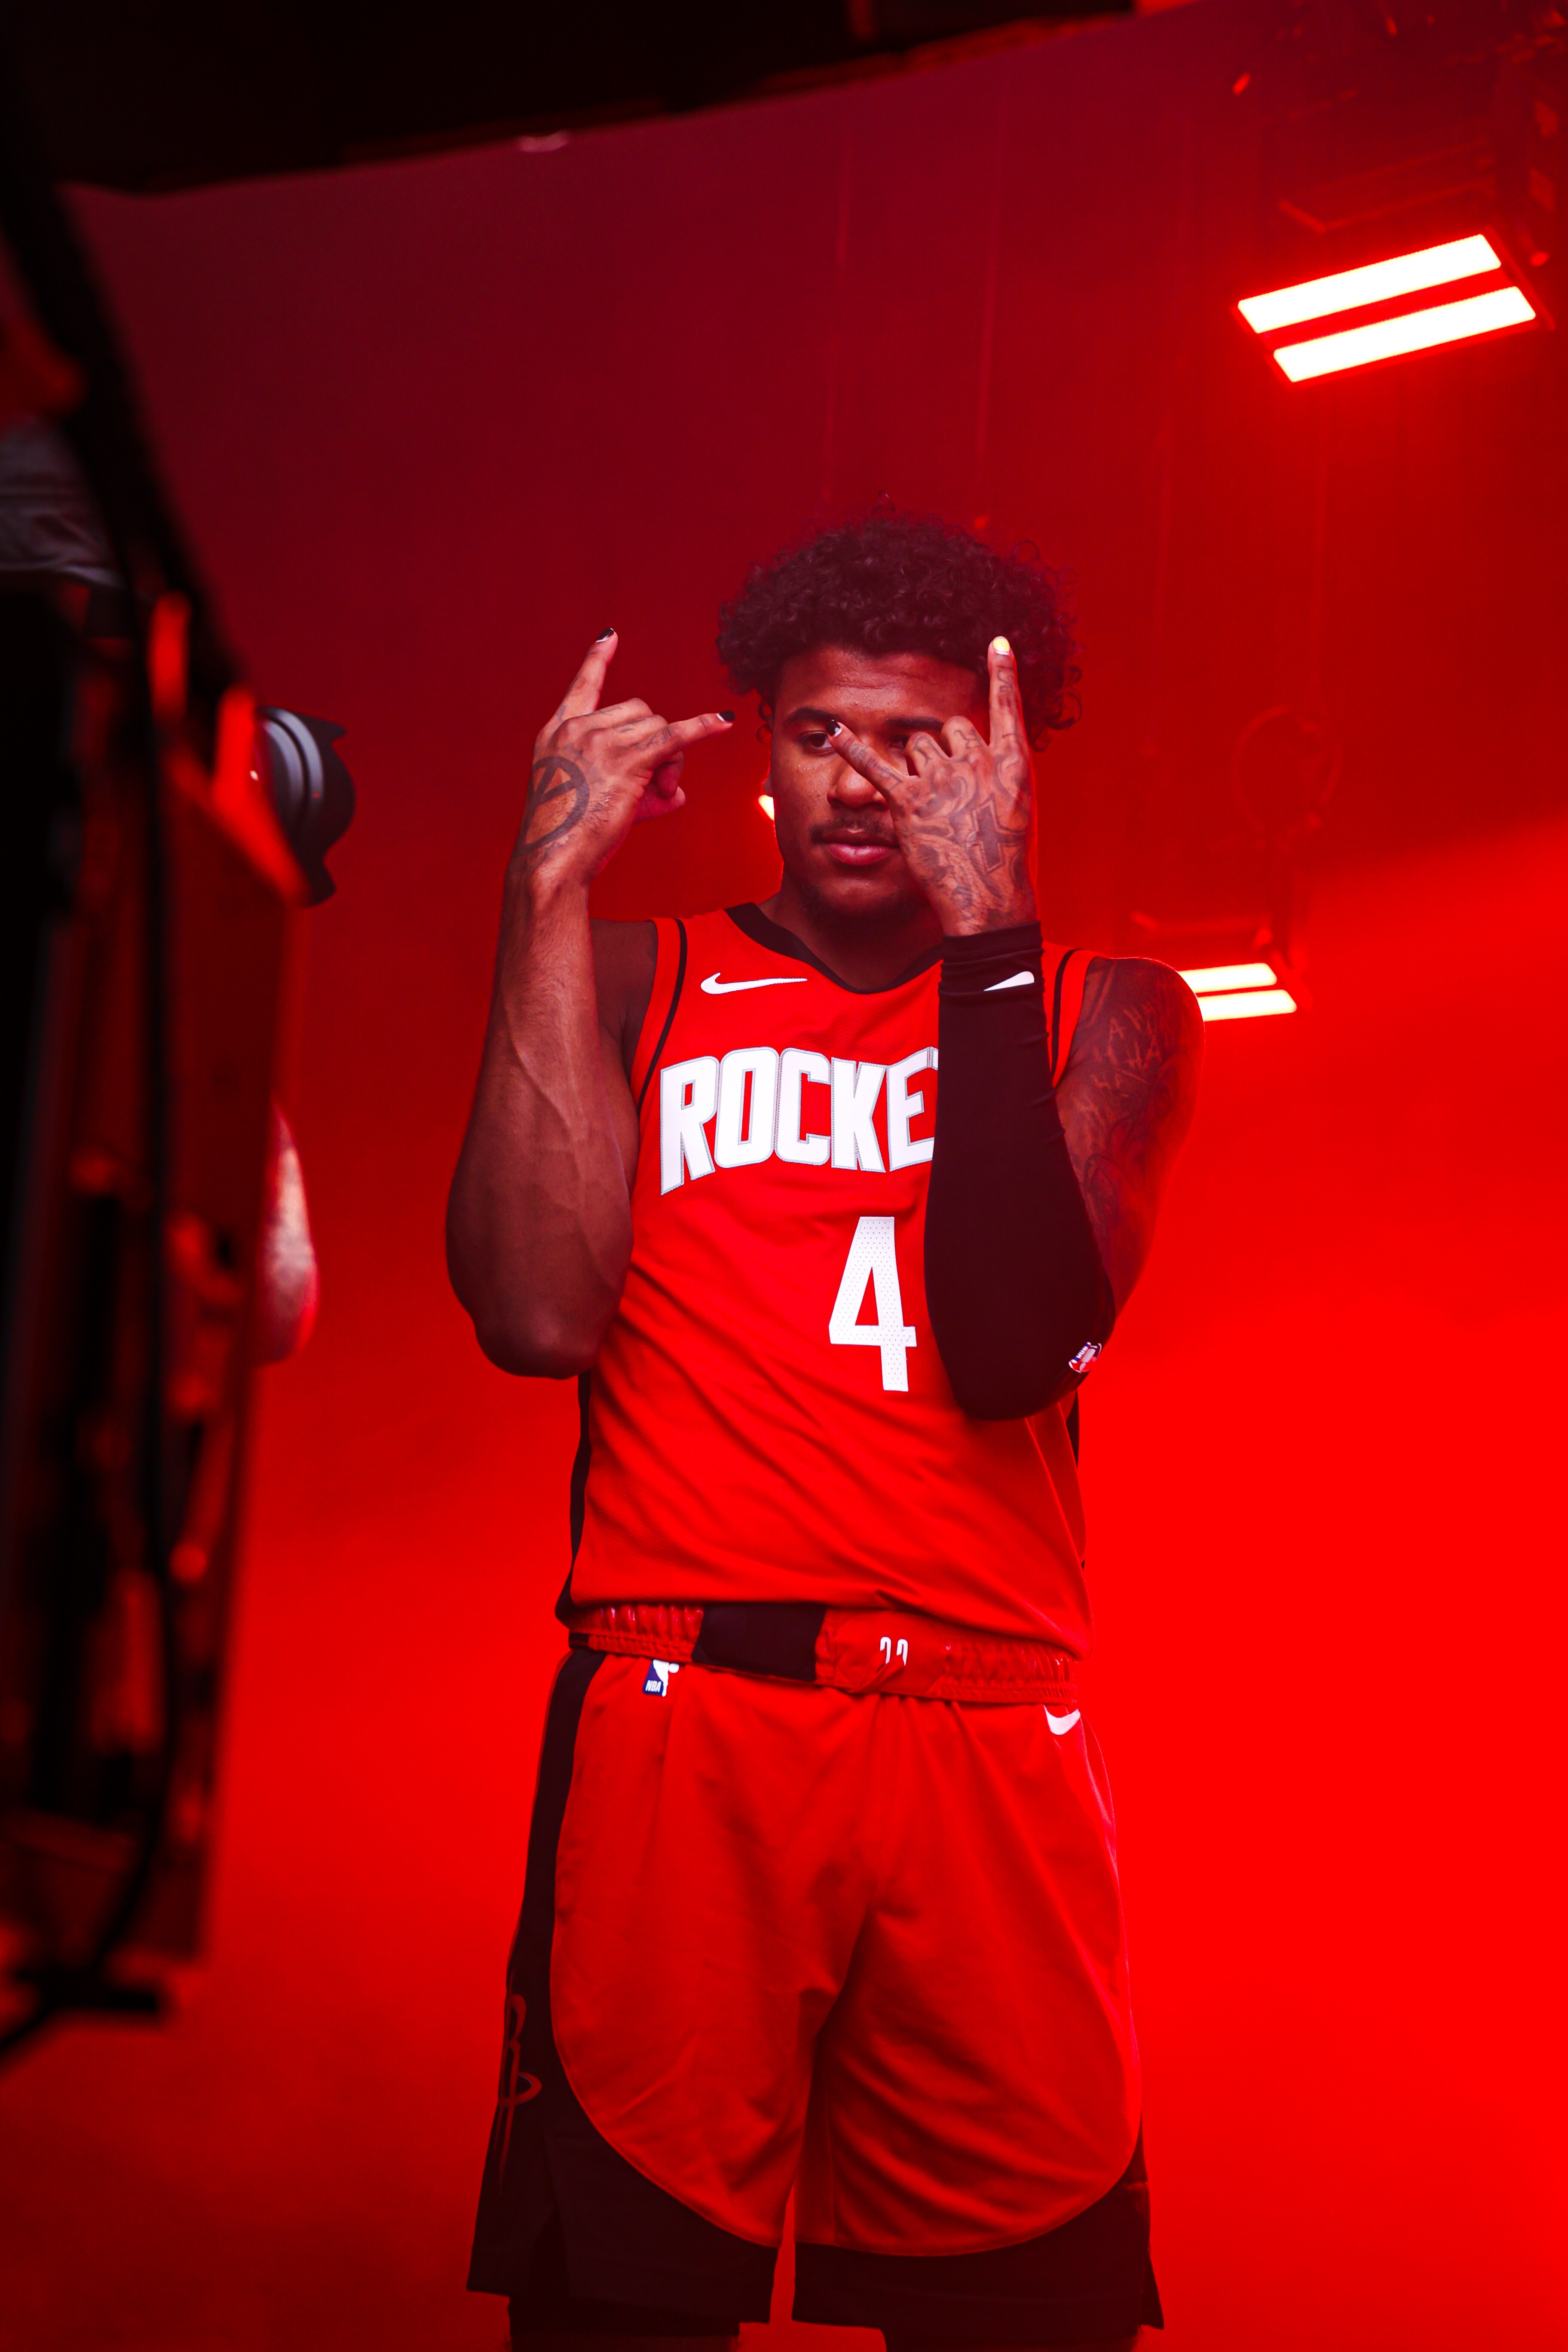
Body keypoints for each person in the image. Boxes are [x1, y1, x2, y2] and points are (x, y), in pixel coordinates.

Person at [448, 511, 1202, 2352]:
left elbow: (1017, 1346)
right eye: (820, 735)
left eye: (920, 742)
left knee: (1029, 2319)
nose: (862, 783)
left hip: (989, 1725)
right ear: (762, 749)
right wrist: (543, 890)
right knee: (621, 2312)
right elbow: (533, 1318)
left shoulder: (1106, 1008)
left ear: (1006, 759)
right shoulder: (636, 980)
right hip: (690, 1703)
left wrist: (993, 926)